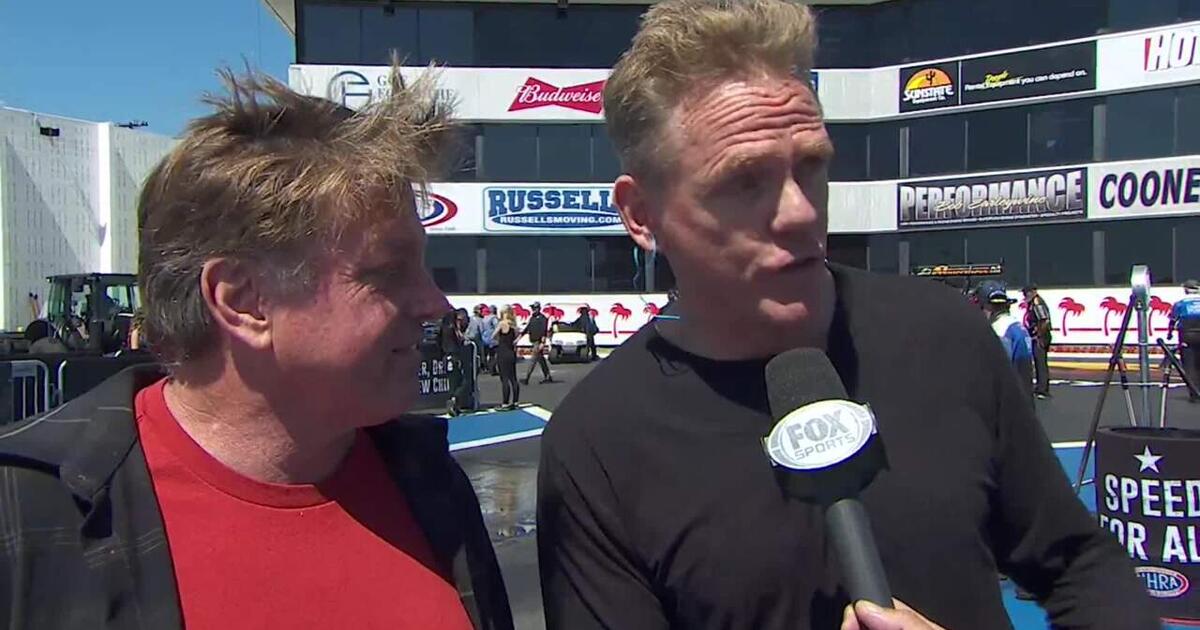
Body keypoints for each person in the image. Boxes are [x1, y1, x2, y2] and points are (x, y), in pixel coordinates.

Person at [535, 2, 1156, 629]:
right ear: (642, 215)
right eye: (745, 182)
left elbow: (1080, 566)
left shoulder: (943, 335)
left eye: (811, 166)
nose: (801, 212)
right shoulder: (596, 444)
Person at [0, 67, 512, 629]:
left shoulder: (429, 481)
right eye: (387, 272)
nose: (435, 303)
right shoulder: (27, 512)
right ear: (243, 301)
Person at [981, 281, 1035, 401]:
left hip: (1008, 399)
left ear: (989, 307)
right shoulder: (1016, 326)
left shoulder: (998, 330)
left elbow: (998, 372)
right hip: (1024, 395)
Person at [1168, 279, 1200, 403]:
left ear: (1186, 290)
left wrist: (1170, 333)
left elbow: (1172, 320)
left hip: (1187, 335)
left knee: (1189, 365)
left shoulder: (1180, 304)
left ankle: (1194, 393)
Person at [1022, 285, 1053, 399]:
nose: (1025, 296)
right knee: (1038, 361)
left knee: (1040, 362)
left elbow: (1043, 320)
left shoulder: (1037, 303)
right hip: (1037, 336)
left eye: (1026, 293)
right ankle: (1040, 386)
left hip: (1041, 337)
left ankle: (1043, 389)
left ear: (1032, 292)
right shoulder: (1033, 303)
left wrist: (1039, 336)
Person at [493, 305, 521, 410]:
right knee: (513, 378)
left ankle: (505, 402)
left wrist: (500, 339)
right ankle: (516, 401)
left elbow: (493, 336)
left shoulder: (502, 324)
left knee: (504, 378)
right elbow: (517, 338)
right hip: (511, 352)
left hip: (503, 352)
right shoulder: (514, 325)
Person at [521, 301, 553, 385]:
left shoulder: (543, 318)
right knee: (541, 360)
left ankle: (527, 378)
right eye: (532, 308)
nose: (533, 310)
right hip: (533, 341)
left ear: (538, 308)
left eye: (534, 308)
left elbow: (544, 331)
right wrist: (519, 336)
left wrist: (542, 342)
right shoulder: (532, 318)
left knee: (533, 360)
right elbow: (527, 328)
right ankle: (548, 376)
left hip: (538, 342)